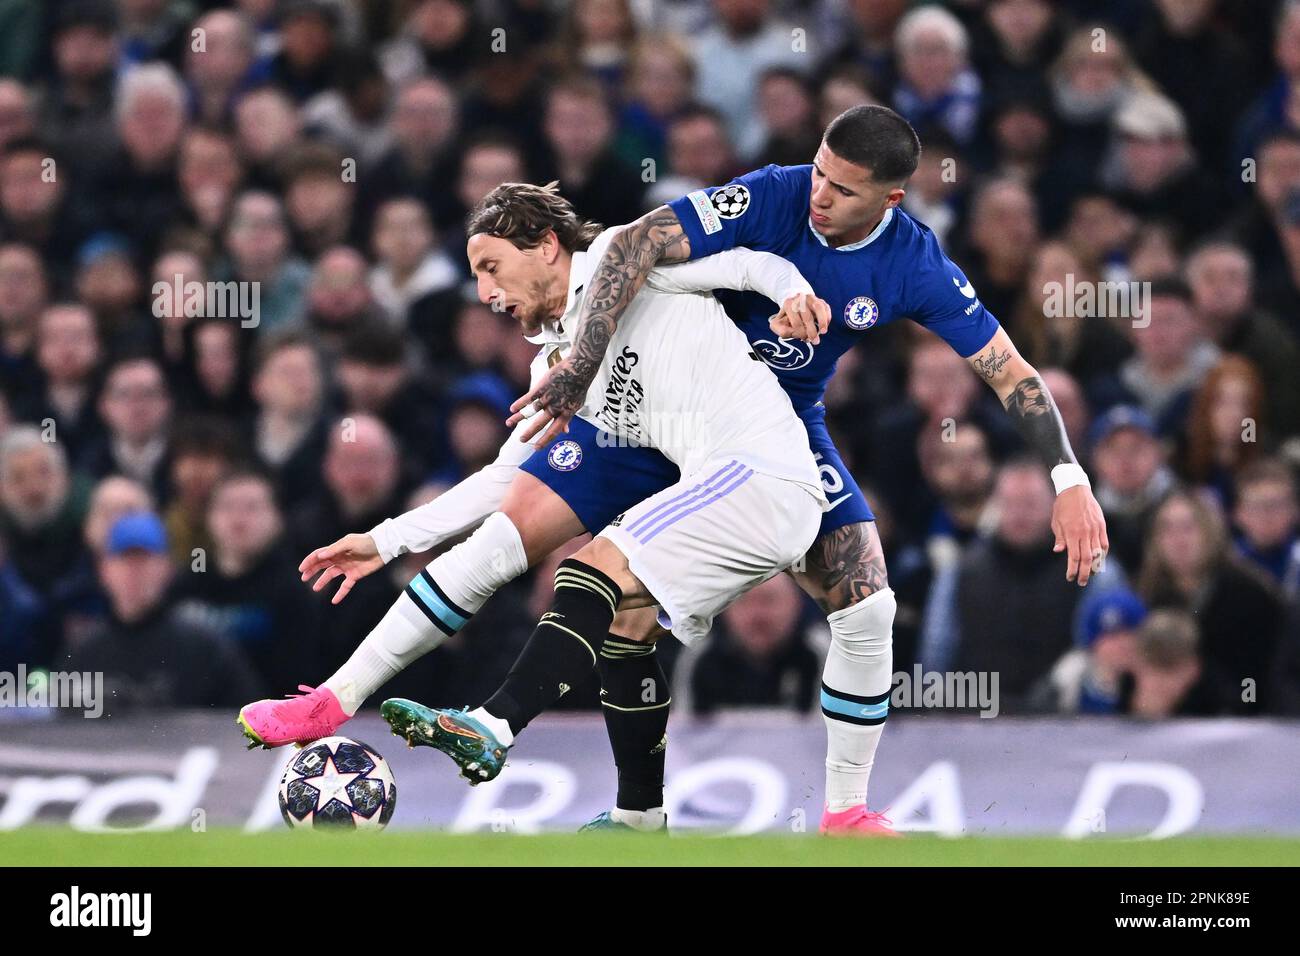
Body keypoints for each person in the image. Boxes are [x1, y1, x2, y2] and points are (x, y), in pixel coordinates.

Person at [245, 106, 1108, 836]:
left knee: (867, 600)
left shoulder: (913, 263)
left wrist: (1070, 480)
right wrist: (392, 534)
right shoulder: (768, 195)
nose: (817, 194)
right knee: (510, 538)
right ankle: (340, 700)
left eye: (842, 188)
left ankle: (842, 812)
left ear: (891, 197)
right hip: (641, 415)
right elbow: (644, 245)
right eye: (816, 171)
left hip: (762, 426)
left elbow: (1009, 372)